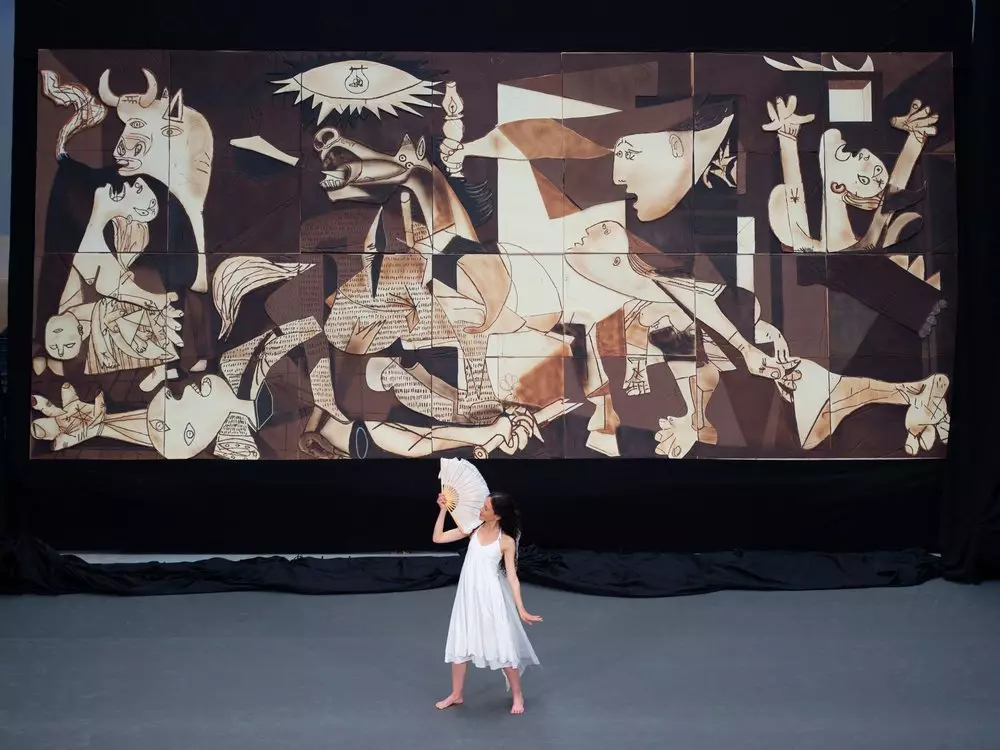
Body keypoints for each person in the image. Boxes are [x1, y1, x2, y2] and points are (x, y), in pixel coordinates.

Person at [432, 491, 542, 715]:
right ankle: (456, 694)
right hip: (467, 597)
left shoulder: (506, 541)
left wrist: (521, 608)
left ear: (497, 515)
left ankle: (517, 693)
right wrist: (443, 509)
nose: (480, 510)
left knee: (502, 646)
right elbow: (438, 538)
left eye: (486, 508)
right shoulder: (473, 527)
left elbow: (512, 576)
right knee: (460, 644)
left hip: (491, 600)